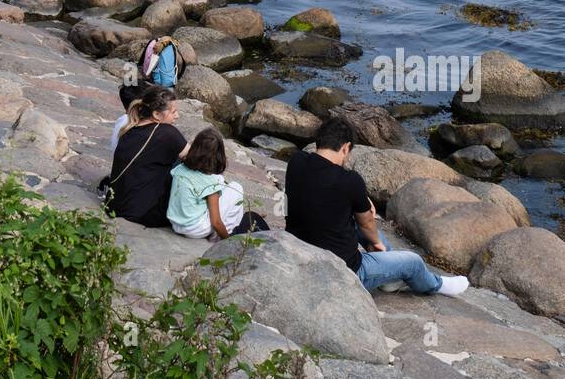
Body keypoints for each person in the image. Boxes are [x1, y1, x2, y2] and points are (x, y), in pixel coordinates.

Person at [285, 116, 469, 296]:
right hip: (345, 269)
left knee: (346, 217)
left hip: (301, 248)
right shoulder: (350, 181)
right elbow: (366, 224)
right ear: (345, 147)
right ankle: (435, 284)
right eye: (348, 153)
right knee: (412, 262)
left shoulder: (296, 161)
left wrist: (360, 200)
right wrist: (376, 242)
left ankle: (389, 276)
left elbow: (325, 184)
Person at [105, 86, 189, 227]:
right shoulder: (167, 133)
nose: (177, 116)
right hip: (143, 213)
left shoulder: (130, 127)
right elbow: (198, 158)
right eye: (173, 112)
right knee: (184, 164)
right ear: (156, 115)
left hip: (114, 205)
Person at [168, 128, 270, 240]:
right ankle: (228, 231)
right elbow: (216, 222)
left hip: (177, 223)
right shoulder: (210, 182)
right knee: (236, 188)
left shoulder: (179, 169)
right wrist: (227, 241)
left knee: (221, 185)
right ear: (218, 155)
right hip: (196, 229)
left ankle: (237, 217)